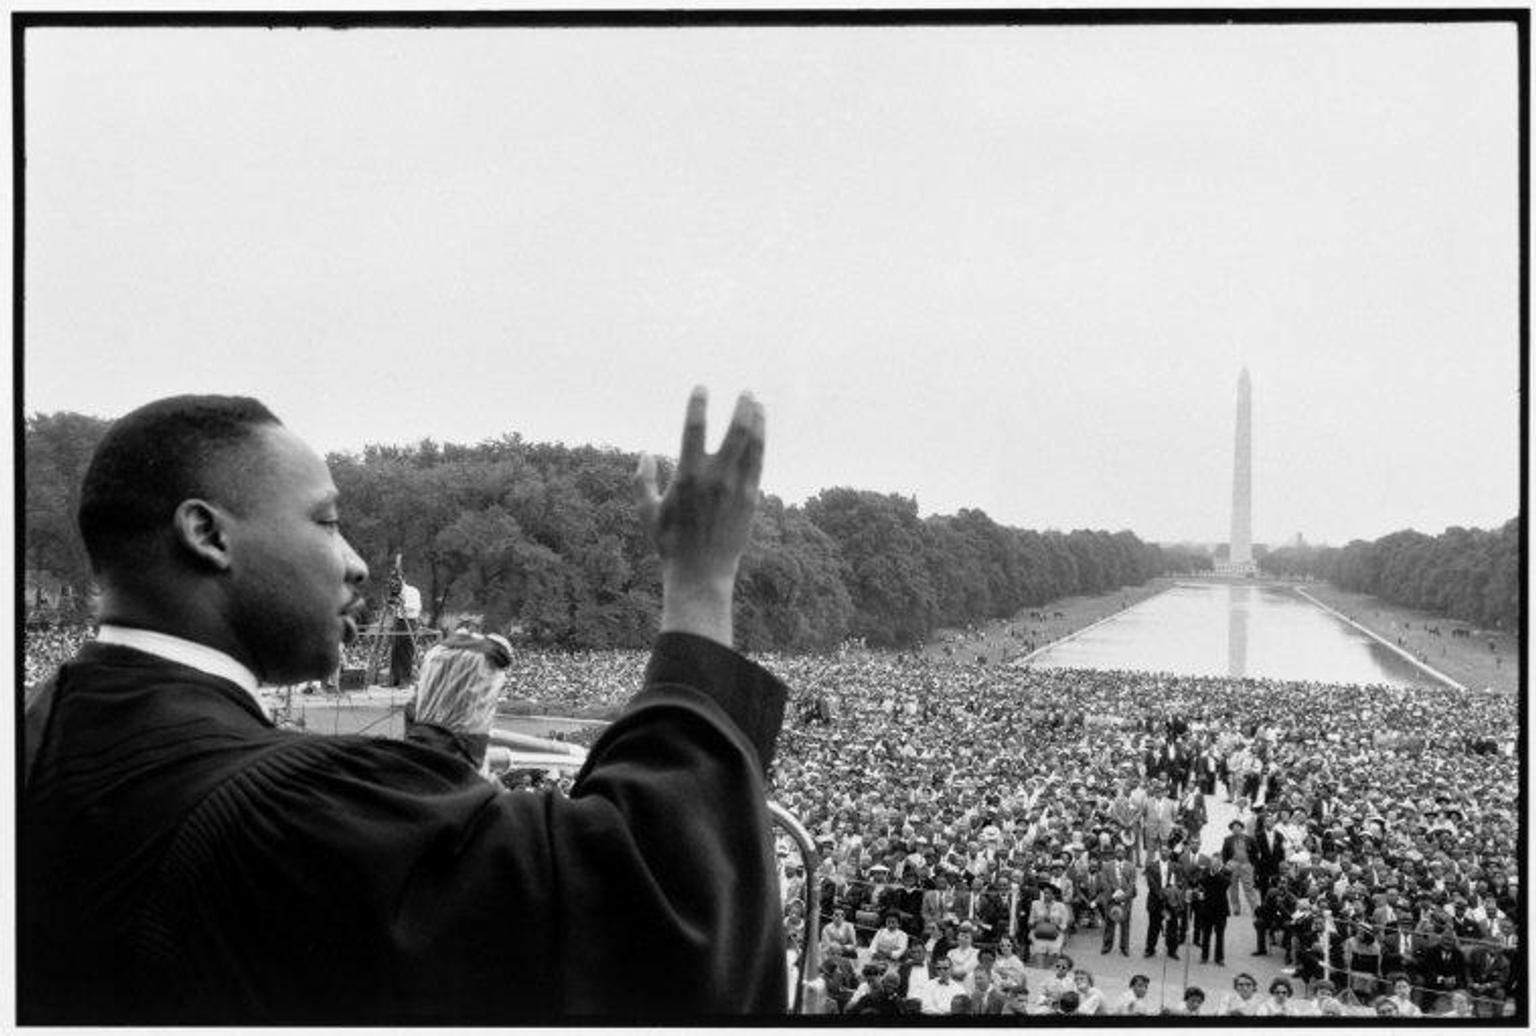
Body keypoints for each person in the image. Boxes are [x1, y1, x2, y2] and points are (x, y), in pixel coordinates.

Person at [21, 389, 786, 1022]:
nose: (354, 562)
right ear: (206, 535)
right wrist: (699, 582)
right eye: (325, 522)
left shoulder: (37, 730)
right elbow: (663, 911)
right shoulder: (271, 806)